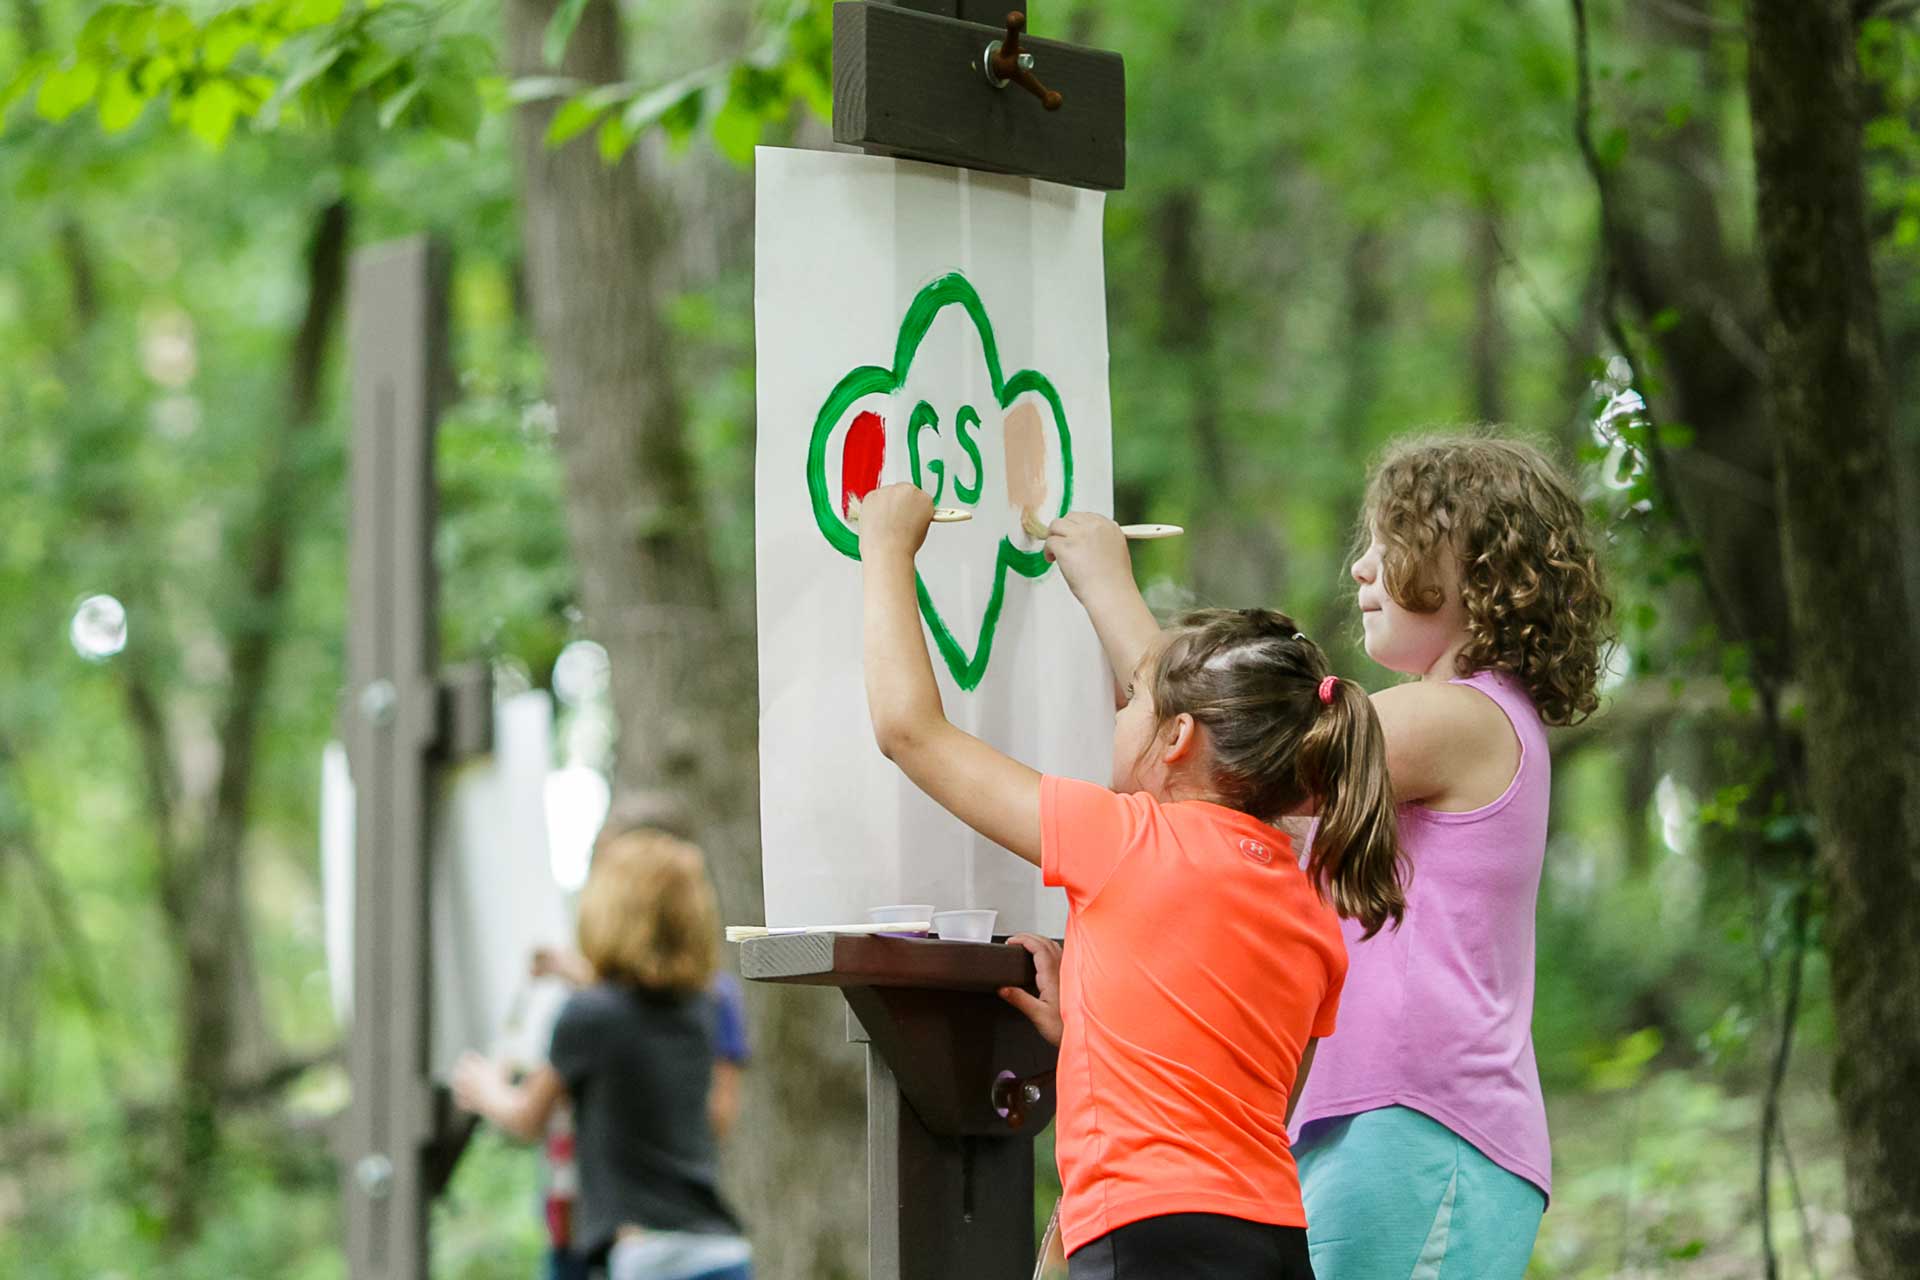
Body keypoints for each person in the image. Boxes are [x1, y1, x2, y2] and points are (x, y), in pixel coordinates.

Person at [1041, 432, 1612, 1278]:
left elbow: (1231, 745)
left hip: (1424, 1126)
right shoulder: (1454, 720)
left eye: (1393, 543)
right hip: (1379, 1123)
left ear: (1478, 571)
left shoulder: (1461, 720)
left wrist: (1108, 589)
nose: (1361, 568)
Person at [857, 482, 1408, 1280]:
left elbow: (910, 731)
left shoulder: (1125, 837)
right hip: (1276, 1239)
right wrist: (1094, 1022)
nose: (1117, 714)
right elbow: (1242, 1098)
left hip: (1150, 1237)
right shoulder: (1309, 908)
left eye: (1132, 702)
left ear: (1178, 738)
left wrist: (885, 550)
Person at [454, 830, 752, 1280]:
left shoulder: (589, 1015)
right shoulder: (703, 1008)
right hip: (720, 1252)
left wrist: (484, 1087)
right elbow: (632, 1012)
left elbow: (527, 1117)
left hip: (650, 1257)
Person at [526, 945, 750, 1280]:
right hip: (582, 1222)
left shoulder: (709, 998)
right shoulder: (595, 1009)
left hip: (651, 1232)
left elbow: (717, 1116)